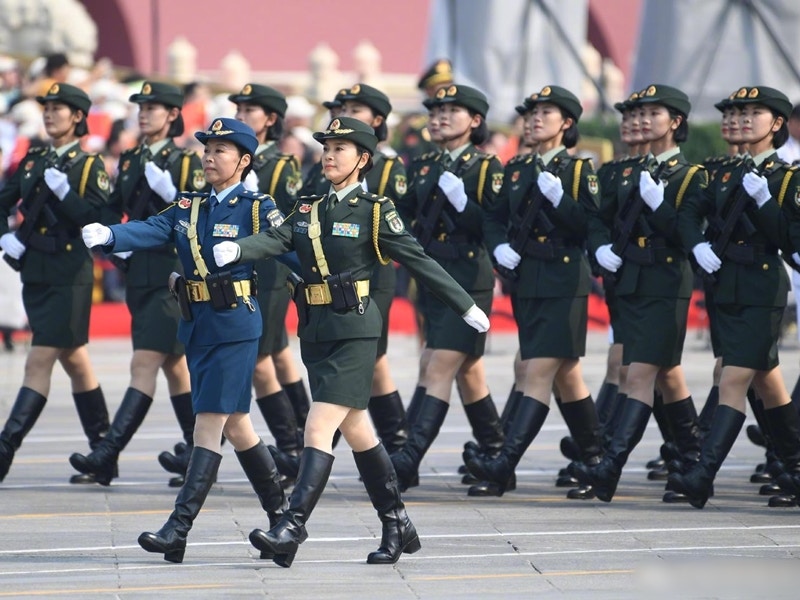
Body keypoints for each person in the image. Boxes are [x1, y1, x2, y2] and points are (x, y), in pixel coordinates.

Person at [211, 116, 490, 567]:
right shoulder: (308, 207)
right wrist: (240, 249)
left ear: (362, 159)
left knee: (319, 427)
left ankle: (291, 526)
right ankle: (397, 521)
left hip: (357, 329)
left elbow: (419, 261)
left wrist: (465, 306)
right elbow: (278, 238)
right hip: (317, 330)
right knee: (358, 429)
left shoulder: (375, 211)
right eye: (326, 147)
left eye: (340, 149)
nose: (329, 155)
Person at [81, 118, 289, 562]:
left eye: (221, 150)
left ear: (244, 160)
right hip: (198, 324)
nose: (210, 157)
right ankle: (284, 518)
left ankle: (178, 528)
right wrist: (112, 235)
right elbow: (154, 229)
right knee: (237, 426)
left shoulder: (257, 206)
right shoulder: (190, 204)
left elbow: (286, 245)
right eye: (207, 149)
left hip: (236, 324)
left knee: (209, 423)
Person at [465, 85, 602, 497]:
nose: (536, 118)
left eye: (547, 112)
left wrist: (561, 200)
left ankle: (502, 464)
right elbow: (493, 217)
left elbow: (590, 226)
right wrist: (500, 245)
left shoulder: (578, 171)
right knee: (565, 374)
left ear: (568, 124)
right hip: (528, 281)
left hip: (564, 280)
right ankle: (595, 460)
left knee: (536, 370)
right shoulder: (517, 169)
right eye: (532, 112)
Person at [67, 81, 205, 487]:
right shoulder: (129, 159)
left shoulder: (185, 162)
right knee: (176, 367)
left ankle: (107, 452)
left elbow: (196, 213)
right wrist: (112, 242)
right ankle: (195, 454)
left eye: (154, 107)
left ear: (173, 115)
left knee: (144, 362)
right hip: (139, 273)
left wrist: (171, 192)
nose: (144, 113)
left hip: (171, 271)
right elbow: (114, 210)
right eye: (141, 106)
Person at [575, 84, 708, 503]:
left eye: (654, 113)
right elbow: (598, 219)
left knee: (638, 373)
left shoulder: (690, 176)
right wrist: (600, 248)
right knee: (666, 375)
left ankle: (608, 465)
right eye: (638, 114)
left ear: (676, 122)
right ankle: (692, 461)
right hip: (629, 281)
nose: (642, 120)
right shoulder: (621, 172)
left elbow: (686, 233)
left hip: (666, 283)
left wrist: (661, 205)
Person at [669, 86, 800, 509]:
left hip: (762, 286)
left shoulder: (788, 178)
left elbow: (791, 239)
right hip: (724, 285)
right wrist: (697, 244)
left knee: (732, 378)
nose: (740, 119)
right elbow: (687, 212)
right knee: (768, 383)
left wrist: (765, 201)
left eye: (752, 113)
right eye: (735, 113)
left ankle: (701, 474)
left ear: (777, 124)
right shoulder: (719, 171)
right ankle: (795, 468)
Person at [391, 84, 504, 493]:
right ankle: (497, 455)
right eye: (435, 110)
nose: (438, 117)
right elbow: (403, 217)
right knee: (467, 372)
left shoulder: (486, 168)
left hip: (468, 278)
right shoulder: (422, 164)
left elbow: (492, 226)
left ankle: (407, 459)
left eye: (451, 111)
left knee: (437, 364)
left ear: (475, 121)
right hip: (434, 276)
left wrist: (463, 204)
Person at [0, 83, 112, 483]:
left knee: (39, 359)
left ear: (78, 117)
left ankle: (5, 447)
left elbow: (98, 222)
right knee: (75, 359)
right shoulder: (33, 159)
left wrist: (65, 193)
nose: (49, 114)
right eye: (45, 108)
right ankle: (104, 452)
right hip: (36, 271)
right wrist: (4, 233)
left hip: (70, 274)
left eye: (58, 108)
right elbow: (3, 198)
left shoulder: (87, 167)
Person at [220, 82, 310, 487]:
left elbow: (287, 224)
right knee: (273, 358)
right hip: (237, 270)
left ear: (270, 119)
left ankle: (292, 447)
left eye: (249, 110)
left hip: (269, 273)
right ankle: (303, 441)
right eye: (238, 108)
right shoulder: (231, 159)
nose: (241, 114)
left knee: (259, 362)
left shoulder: (280, 165)